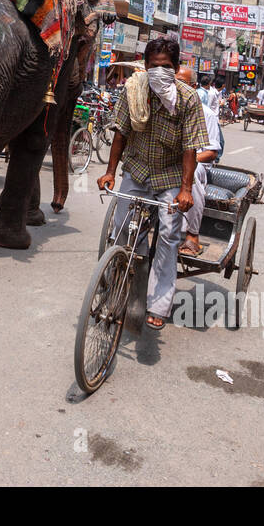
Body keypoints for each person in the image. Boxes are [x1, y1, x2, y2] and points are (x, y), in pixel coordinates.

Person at [97, 38, 209, 331]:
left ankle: (159, 304)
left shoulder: (188, 99)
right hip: (136, 169)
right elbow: (120, 133)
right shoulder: (132, 90)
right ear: (145, 65)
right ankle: (121, 273)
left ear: (176, 68)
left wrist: (186, 189)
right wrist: (110, 172)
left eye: (166, 67)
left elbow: (190, 148)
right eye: (154, 66)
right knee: (120, 227)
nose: (159, 71)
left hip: (170, 176)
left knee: (170, 235)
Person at [176, 67, 222, 259]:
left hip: (197, 163)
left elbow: (211, 152)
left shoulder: (207, 115)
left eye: (182, 83)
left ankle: (192, 235)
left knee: (191, 175)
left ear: (193, 87)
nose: (176, 87)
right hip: (169, 160)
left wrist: (189, 160)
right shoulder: (165, 107)